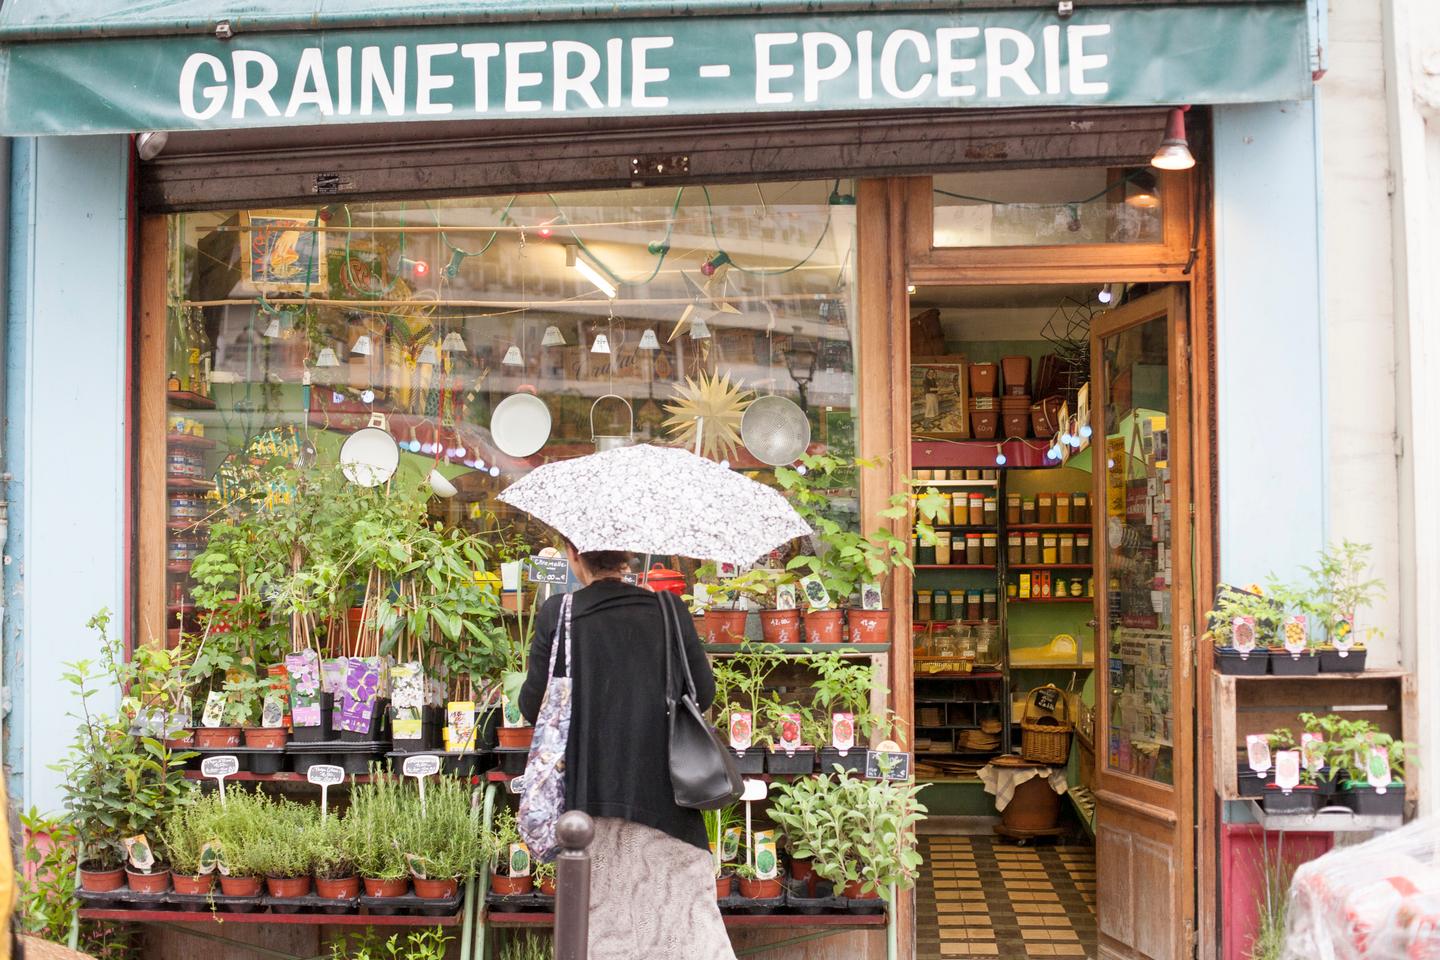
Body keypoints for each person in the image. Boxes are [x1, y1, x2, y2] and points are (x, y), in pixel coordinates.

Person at [519, 545, 735, 960]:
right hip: (670, 806)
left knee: (604, 941)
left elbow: (534, 706)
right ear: (628, 557)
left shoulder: (559, 614)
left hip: (585, 815)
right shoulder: (670, 610)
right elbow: (703, 694)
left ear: (573, 554)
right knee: (682, 940)